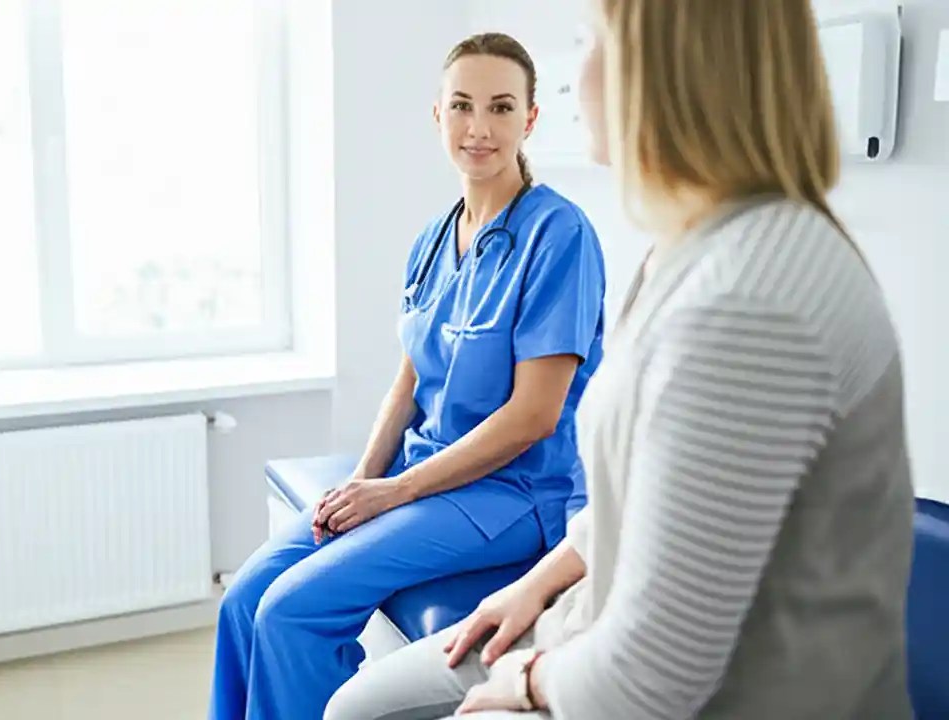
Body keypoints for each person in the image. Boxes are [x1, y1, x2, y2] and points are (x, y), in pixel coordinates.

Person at [325, 1, 916, 718]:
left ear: (666, 70)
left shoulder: (754, 299)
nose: (581, 71)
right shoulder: (687, 248)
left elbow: (656, 676)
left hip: (710, 688)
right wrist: (537, 585)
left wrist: (528, 680)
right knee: (353, 707)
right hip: (586, 618)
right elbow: (632, 496)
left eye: (592, 41)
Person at [208, 33, 607, 720]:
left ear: (530, 120)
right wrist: (357, 485)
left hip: (510, 496)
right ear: (438, 116)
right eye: (461, 106)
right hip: (423, 478)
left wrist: (392, 492)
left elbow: (534, 417)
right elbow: (408, 380)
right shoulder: (433, 240)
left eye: (501, 107)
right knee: (245, 598)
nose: (478, 127)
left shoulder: (558, 235)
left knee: (292, 612)